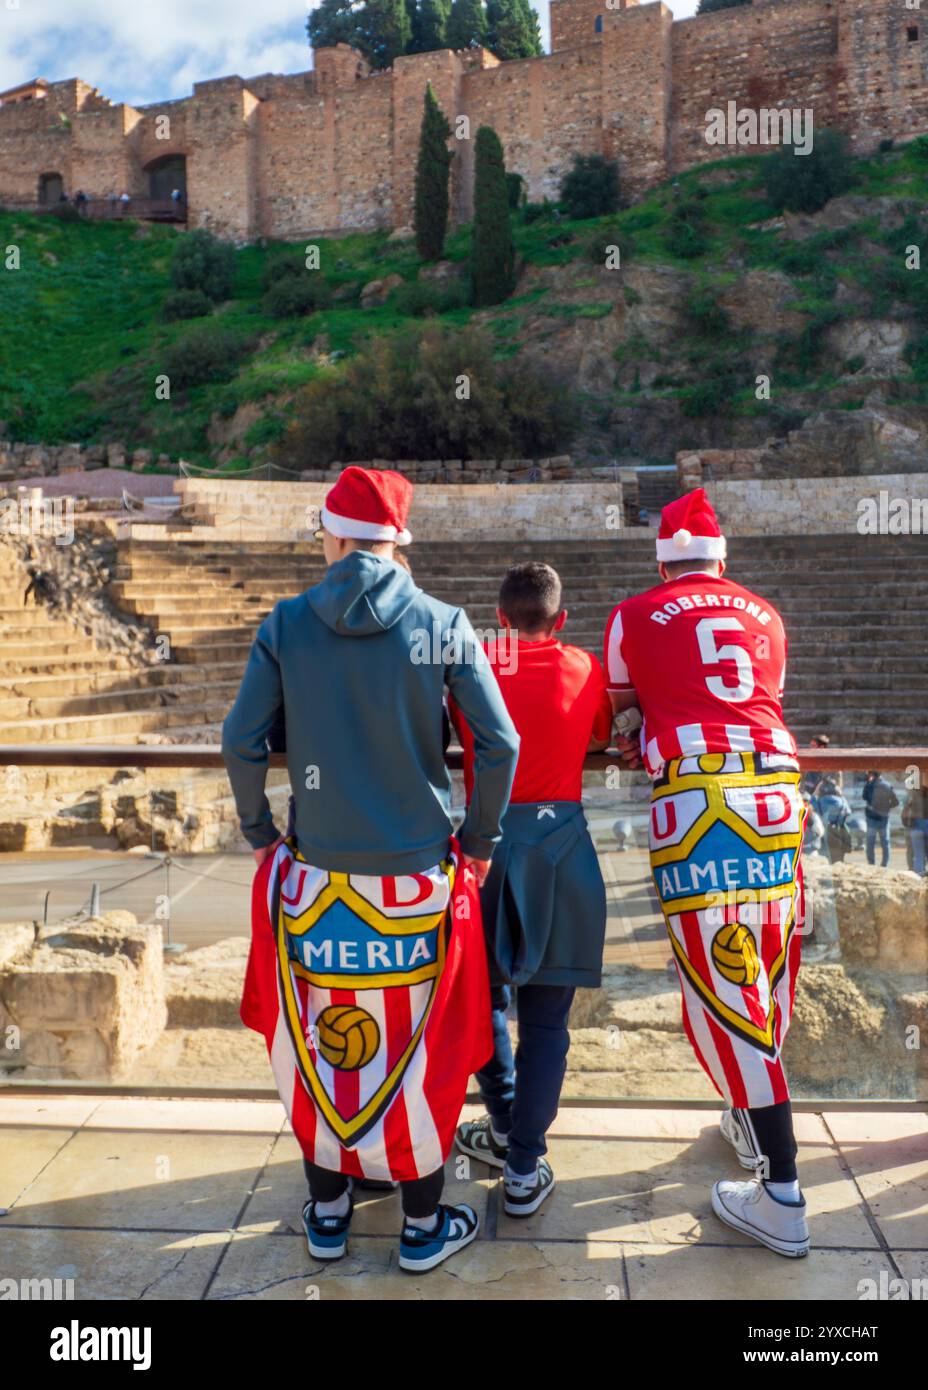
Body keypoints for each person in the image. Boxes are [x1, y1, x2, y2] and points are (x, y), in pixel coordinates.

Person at [222, 466, 520, 1273]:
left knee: (317, 1043)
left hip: (315, 877)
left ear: (332, 536)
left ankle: (327, 1214)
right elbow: (499, 744)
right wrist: (481, 841)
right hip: (419, 879)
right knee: (420, 1053)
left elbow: (242, 740)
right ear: (398, 544)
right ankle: (422, 1226)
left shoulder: (286, 623)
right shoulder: (442, 621)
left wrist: (258, 831)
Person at [604, 487, 810, 1258]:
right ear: (723, 559)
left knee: (725, 989)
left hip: (699, 804)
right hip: (777, 794)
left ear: (662, 560)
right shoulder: (766, 615)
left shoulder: (633, 614)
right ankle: (747, 1117)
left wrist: (639, 736)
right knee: (768, 965)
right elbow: (764, 701)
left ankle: (783, 1192)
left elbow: (626, 714)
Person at [450, 562, 612, 1215]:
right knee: (546, 1021)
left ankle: (505, 1121)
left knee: (484, 997)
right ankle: (523, 1166)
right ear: (561, 617)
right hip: (561, 843)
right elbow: (603, 735)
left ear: (501, 614)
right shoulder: (585, 666)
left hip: (485, 846)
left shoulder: (475, 663)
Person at [862, 770, 898, 868]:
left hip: (871, 817)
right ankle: (884, 865)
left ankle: (871, 864)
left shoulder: (869, 785)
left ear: (872, 775)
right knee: (885, 842)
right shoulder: (888, 785)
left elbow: (864, 797)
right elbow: (896, 802)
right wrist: (886, 807)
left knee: (870, 842)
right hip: (884, 817)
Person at [902, 784, 928, 876]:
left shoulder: (912, 801)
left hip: (916, 829)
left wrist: (906, 823)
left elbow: (904, 813)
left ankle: (919, 875)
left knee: (918, 856)